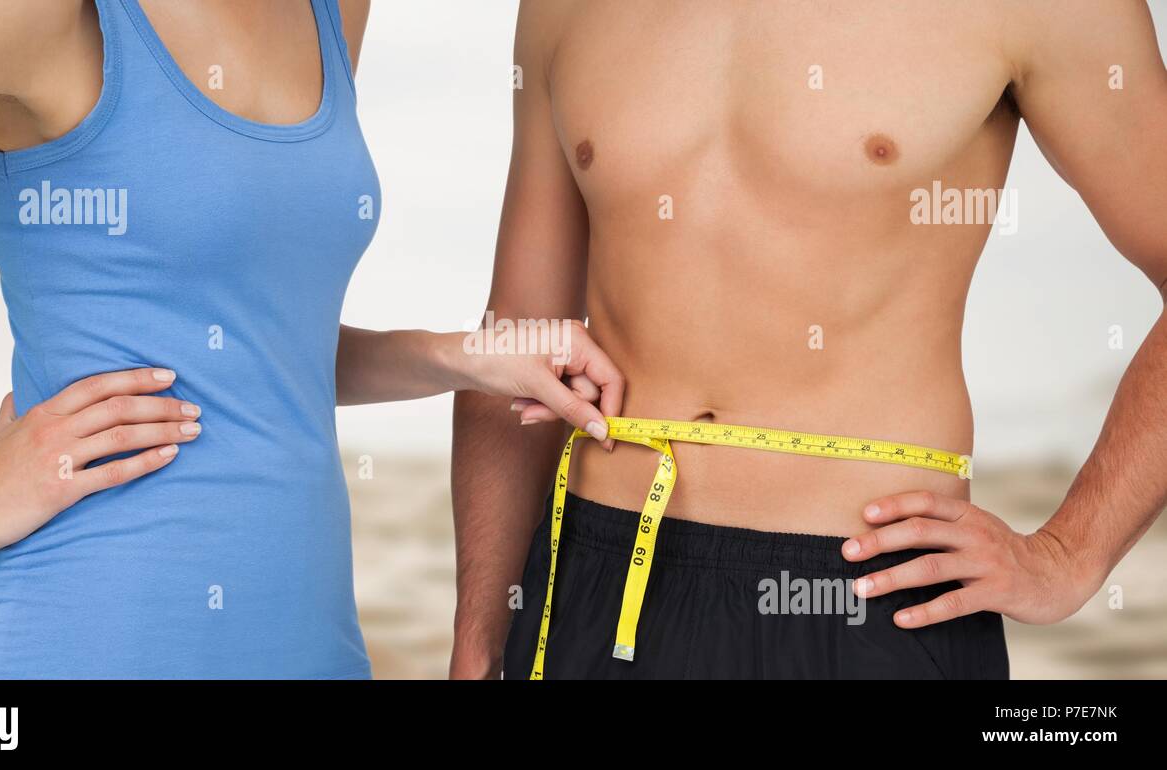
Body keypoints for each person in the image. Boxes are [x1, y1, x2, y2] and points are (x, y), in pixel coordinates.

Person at [0, 0, 621, 678]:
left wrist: (458, 357)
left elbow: (254, 349)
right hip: (80, 637)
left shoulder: (330, 12)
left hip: (311, 646)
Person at [451, 0, 1167, 679]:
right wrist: (478, 645)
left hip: (869, 593)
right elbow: (515, 338)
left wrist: (1069, 555)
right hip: (592, 572)